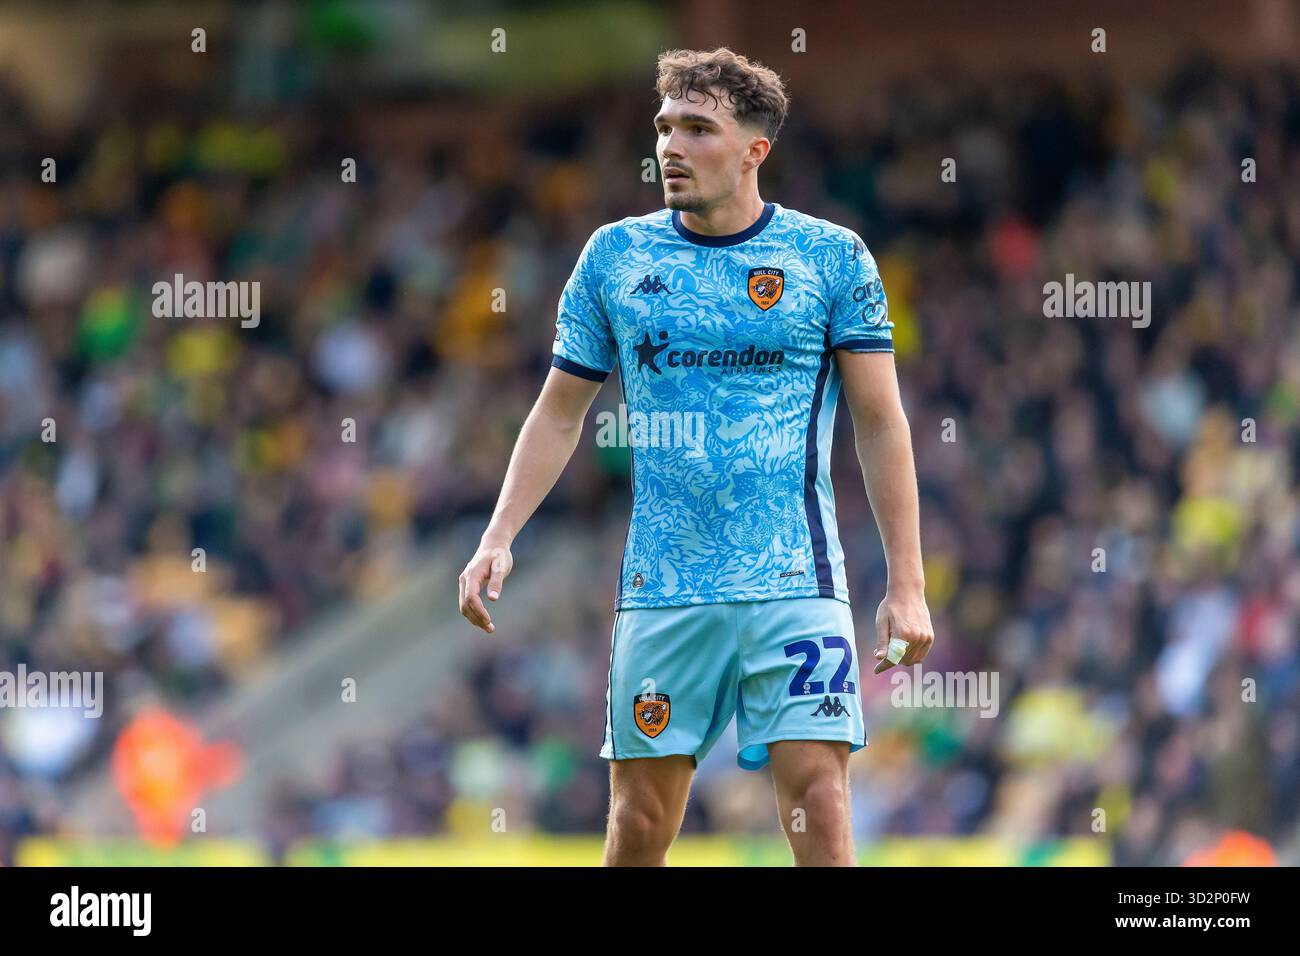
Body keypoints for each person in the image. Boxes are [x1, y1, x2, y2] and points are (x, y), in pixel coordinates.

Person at [459, 47, 934, 866]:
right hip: (666, 586)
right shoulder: (615, 258)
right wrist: (497, 536)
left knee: (819, 796)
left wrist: (907, 585)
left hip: (796, 579)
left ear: (756, 150)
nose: (669, 147)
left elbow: (882, 423)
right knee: (639, 826)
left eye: (697, 128)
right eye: (664, 127)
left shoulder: (832, 259)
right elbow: (560, 412)